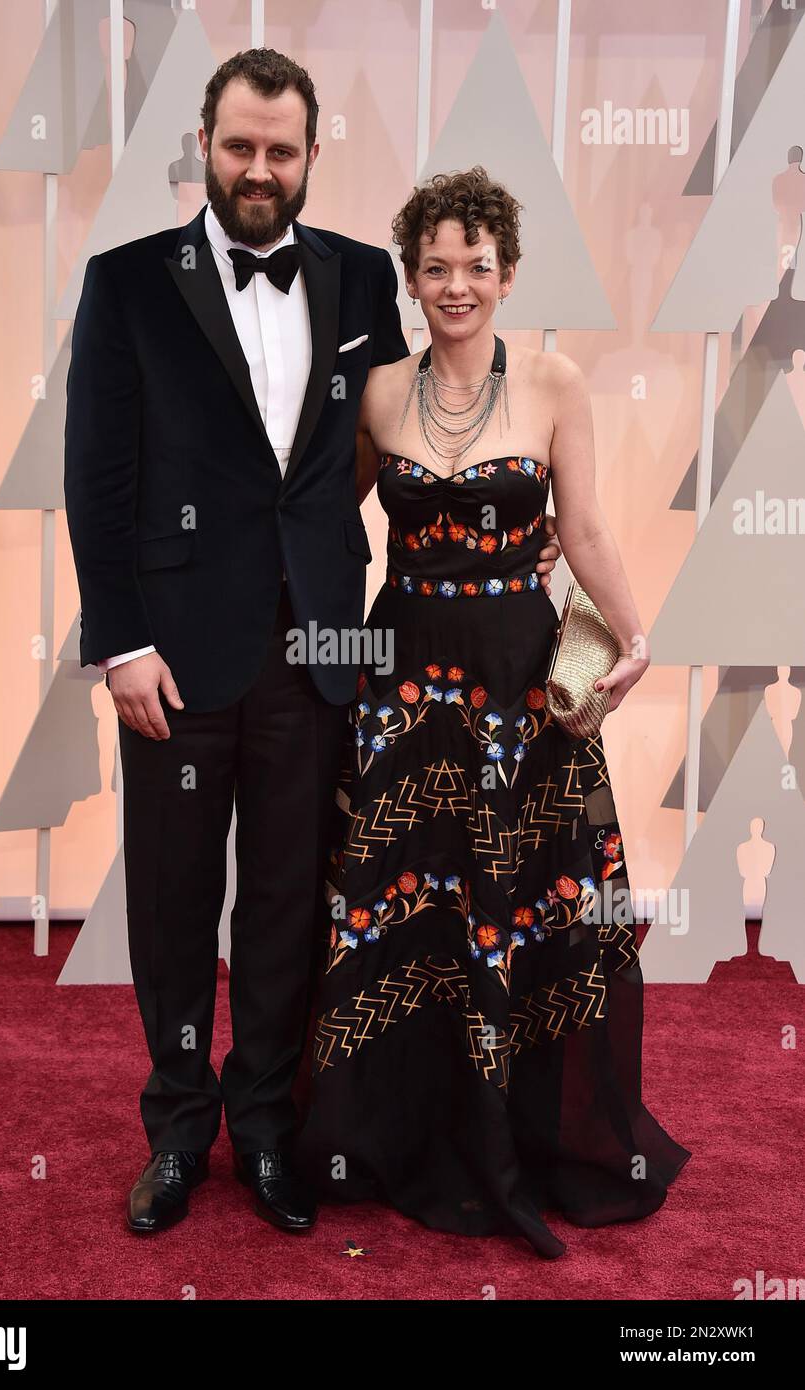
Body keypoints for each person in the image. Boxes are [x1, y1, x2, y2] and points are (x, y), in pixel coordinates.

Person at [64, 48, 567, 1236]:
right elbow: (98, 476)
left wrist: (517, 529)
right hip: (176, 656)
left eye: (281, 150)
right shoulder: (127, 282)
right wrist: (120, 640)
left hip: (325, 646)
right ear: (204, 146)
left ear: (309, 157)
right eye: (239, 146)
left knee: (291, 902)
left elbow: (393, 443)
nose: (259, 168)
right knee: (177, 901)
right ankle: (180, 1130)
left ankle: (271, 1132)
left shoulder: (352, 277)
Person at [294, 167, 691, 1259]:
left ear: (507, 272)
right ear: (411, 279)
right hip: (406, 681)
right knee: (403, 912)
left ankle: (520, 1134)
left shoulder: (559, 383)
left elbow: (589, 526)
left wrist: (634, 630)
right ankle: (398, 1133)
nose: (457, 284)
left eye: (478, 265)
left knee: (528, 909)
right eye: (436, 267)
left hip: (521, 682)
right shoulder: (379, 391)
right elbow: (325, 523)